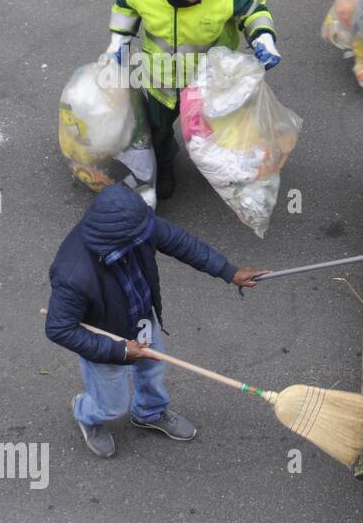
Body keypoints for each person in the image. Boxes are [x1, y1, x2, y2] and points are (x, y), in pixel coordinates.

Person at [45, 184, 269, 459]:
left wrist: (228, 271)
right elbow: (59, 328)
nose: (149, 234)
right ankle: (87, 413)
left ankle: (149, 413)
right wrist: (121, 351)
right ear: (120, 238)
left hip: (141, 319)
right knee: (113, 406)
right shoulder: (72, 274)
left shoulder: (136, 225)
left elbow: (179, 242)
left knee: (152, 370)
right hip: (105, 339)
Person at [106, 0, 281, 200]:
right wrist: (118, 40)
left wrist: (263, 37)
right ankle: (165, 166)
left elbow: (254, 9)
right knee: (158, 128)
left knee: (216, 128)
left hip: (208, 81)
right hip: (161, 79)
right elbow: (125, 6)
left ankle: (223, 167)